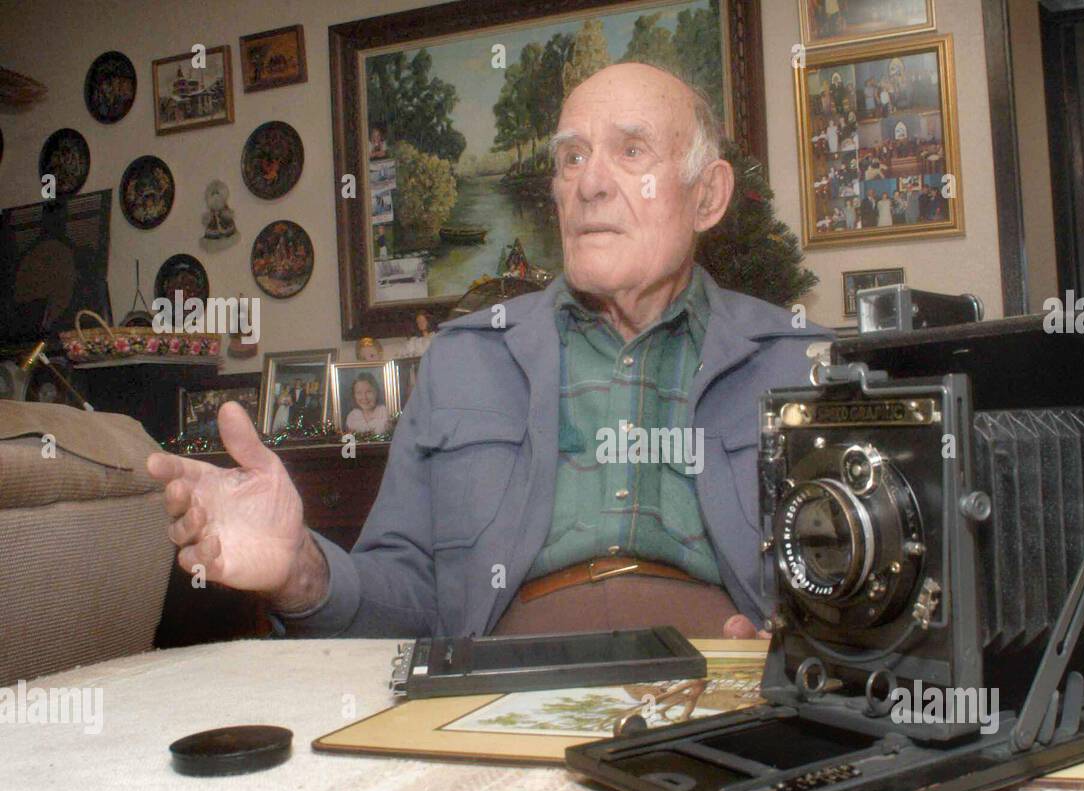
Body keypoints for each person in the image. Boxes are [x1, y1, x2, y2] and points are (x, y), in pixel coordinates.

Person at [148, 63, 832, 641]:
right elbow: (405, 599)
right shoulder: (464, 362)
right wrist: (300, 568)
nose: (589, 183)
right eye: (571, 157)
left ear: (707, 196)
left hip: (722, 693)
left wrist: (819, 639)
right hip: (501, 694)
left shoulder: (796, 365)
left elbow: (865, 584)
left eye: (630, 152)